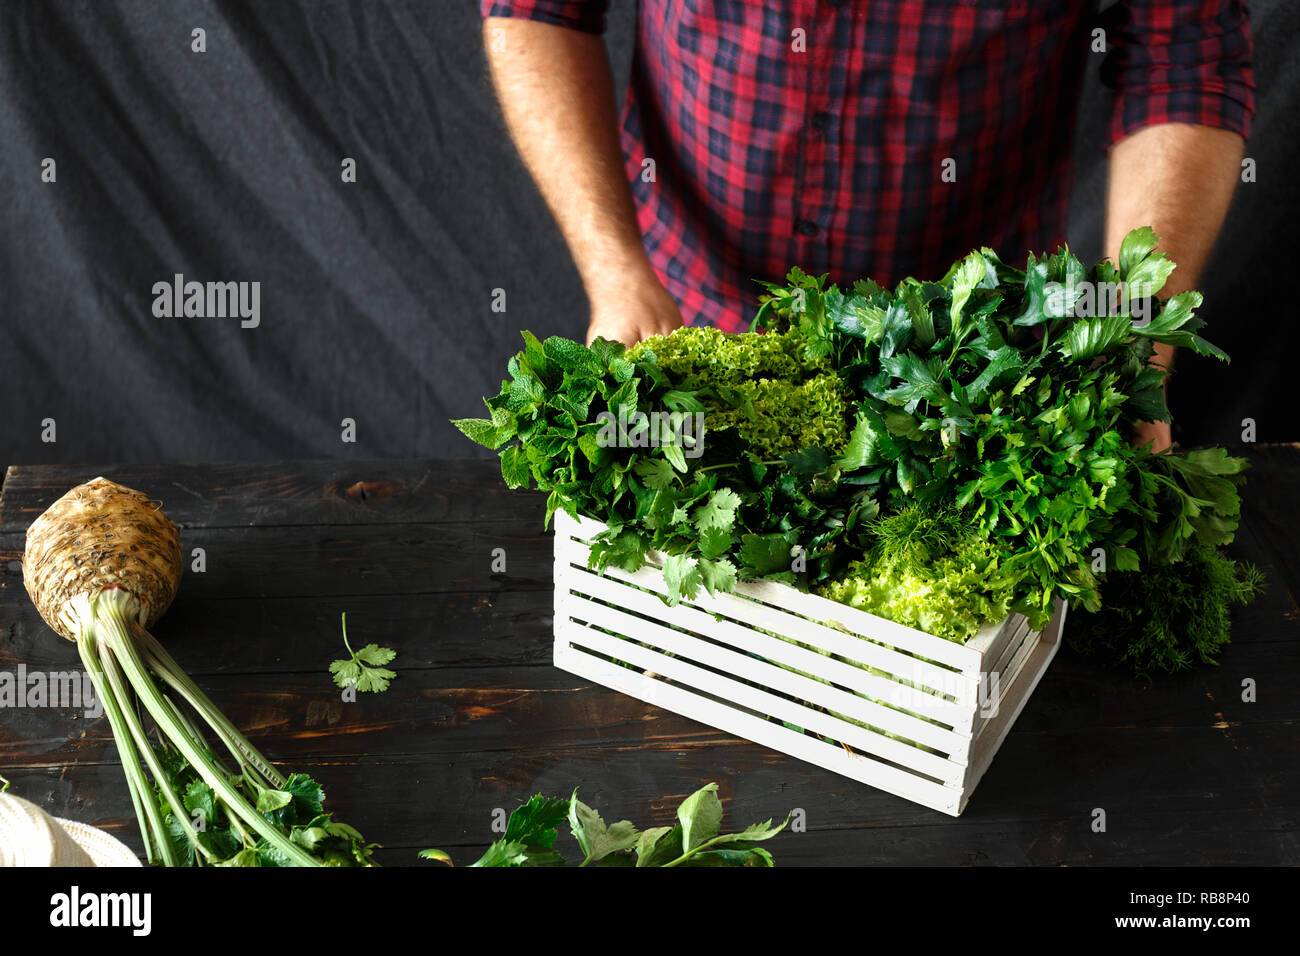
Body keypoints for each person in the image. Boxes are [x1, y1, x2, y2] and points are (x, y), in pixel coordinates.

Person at [479, 1, 1254, 453]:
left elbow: (1184, 57)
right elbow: (541, 6)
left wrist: (1130, 344)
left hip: (969, 357)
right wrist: (616, 272)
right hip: (685, 317)